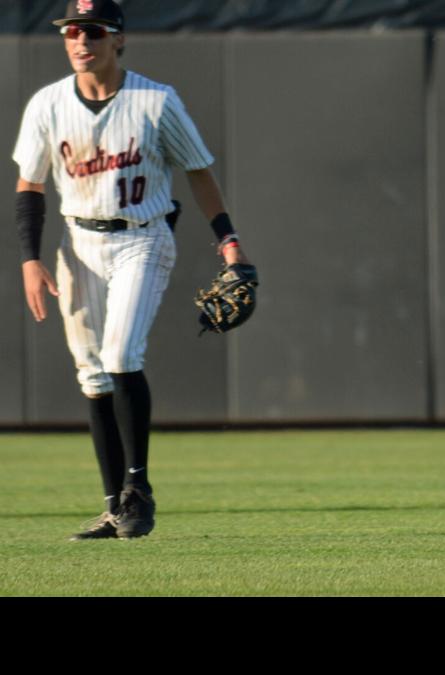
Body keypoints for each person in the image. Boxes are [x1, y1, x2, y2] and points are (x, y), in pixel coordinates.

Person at [13, 0, 253, 540]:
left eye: (93, 32)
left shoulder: (156, 101)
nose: (80, 41)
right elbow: (29, 188)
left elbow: (198, 173)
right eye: (72, 31)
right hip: (77, 245)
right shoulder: (48, 105)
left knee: (121, 355)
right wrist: (30, 259)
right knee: (93, 376)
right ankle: (112, 506)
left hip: (141, 239)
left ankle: (138, 489)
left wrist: (229, 244)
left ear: (118, 40)